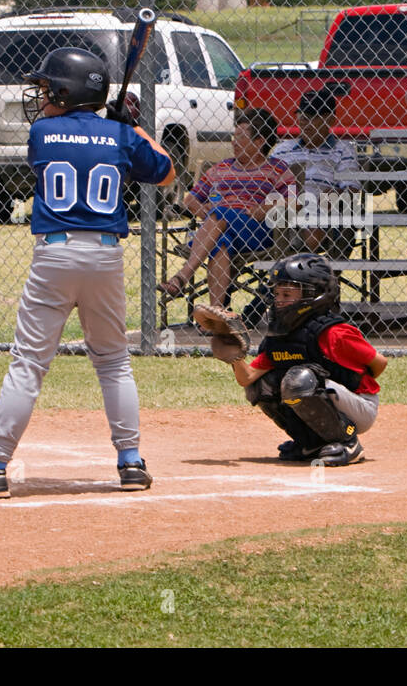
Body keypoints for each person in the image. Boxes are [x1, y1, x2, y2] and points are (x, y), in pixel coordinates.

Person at [0, 47, 175, 499]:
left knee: (30, 362)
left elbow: (70, 139)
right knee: (113, 361)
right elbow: (166, 171)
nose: (41, 96)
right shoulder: (120, 134)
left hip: (54, 256)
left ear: (64, 92)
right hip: (106, 257)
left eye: (47, 88)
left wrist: (109, 126)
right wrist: (128, 126)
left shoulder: (42, 132)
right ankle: (131, 462)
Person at [224, 254, 385, 466]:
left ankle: (347, 442)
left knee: (299, 381)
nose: (279, 300)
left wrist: (338, 382)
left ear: (314, 295)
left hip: (359, 405)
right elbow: (248, 379)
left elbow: (379, 363)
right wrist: (235, 356)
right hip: (326, 394)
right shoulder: (281, 336)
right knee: (261, 386)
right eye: (277, 294)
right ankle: (312, 443)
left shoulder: (334, 333)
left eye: (287, 294)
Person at [159, 107, 296, 306]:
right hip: (218, 230)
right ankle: (217, 314)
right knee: (220, 241)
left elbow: (294, 201)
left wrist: (265, 208)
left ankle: (183, 275)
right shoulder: (221, 168)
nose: (233, 141)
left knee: (220, 214)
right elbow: (190, 200)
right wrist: (203, 210)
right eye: (234, 136)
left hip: (256, 231)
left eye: (240, 137)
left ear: (259, 142)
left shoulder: (276, 168)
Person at [271, 84, 361, 254]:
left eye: (312, 115)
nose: (304, 121)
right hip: (282, 210)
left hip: (321, 211)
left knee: (314, 216)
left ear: (329, 119)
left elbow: (352, 190)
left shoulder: (342, 149)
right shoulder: (283, 149)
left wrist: (337, 194)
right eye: (301, 115)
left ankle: (305, 270)